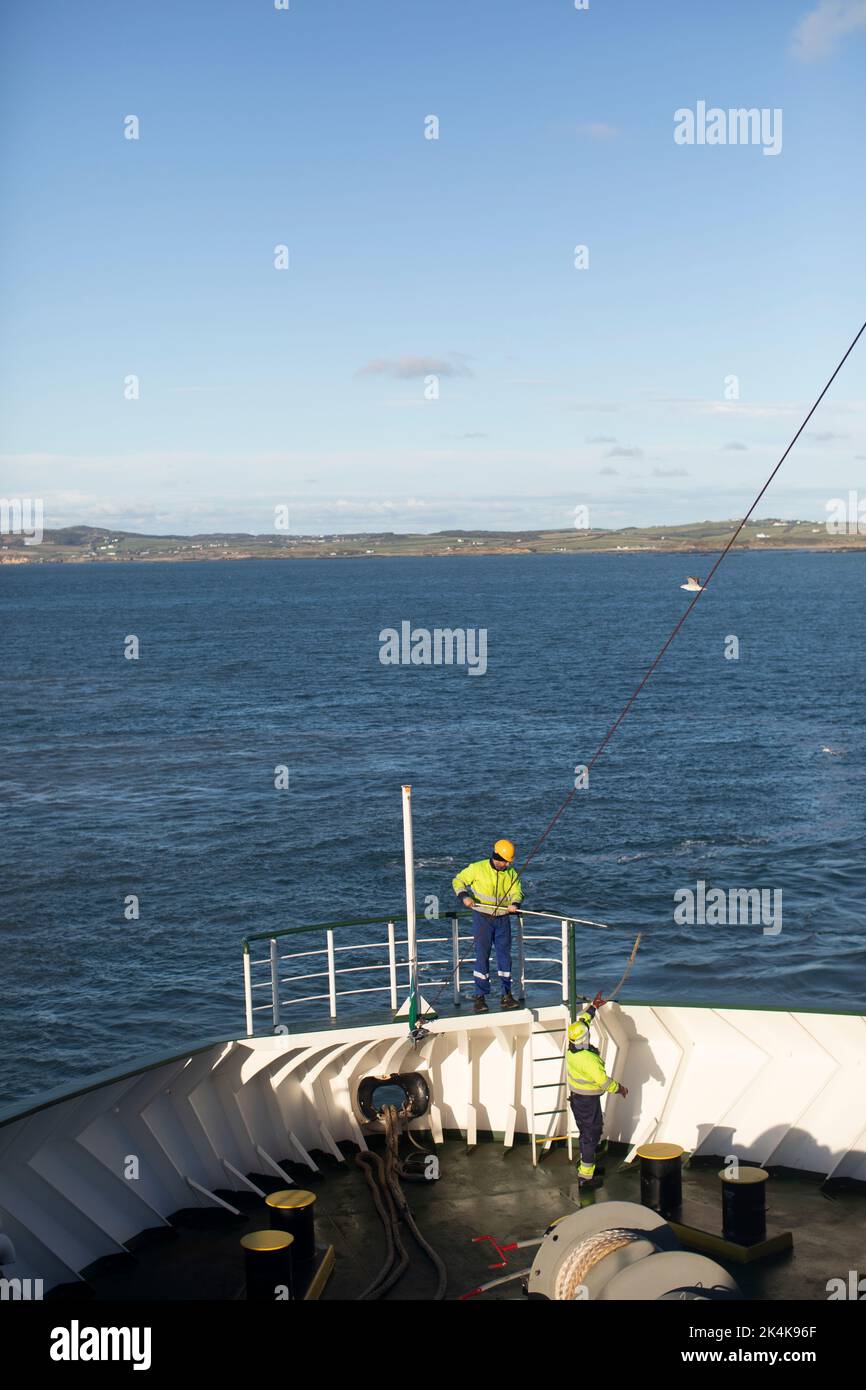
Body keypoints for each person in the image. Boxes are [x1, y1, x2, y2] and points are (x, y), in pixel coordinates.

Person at [452, 838, 523, 1013]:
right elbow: (458, 881)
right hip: (482, 918)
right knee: (482, 956)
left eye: (508, 862)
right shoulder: (477, 868)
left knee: (505, 957)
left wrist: (515, 903)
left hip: (502, 919)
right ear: (496, 857)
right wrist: (464, 897)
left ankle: (506, 995)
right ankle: (480, 997)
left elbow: (517, 891)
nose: (507, 865)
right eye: (505, 861)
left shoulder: (511, 873)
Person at [566, 994, 629, 1188]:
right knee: (591, 1135)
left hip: (579, 1100)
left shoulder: (571, 1048)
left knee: (588, 1132)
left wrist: (593, 1007)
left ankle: (587, 1166)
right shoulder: (588, 1060)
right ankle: (586, 1177)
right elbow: (604, 1082)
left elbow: (583, 1021)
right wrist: (620, 1089)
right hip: (587, 1102)